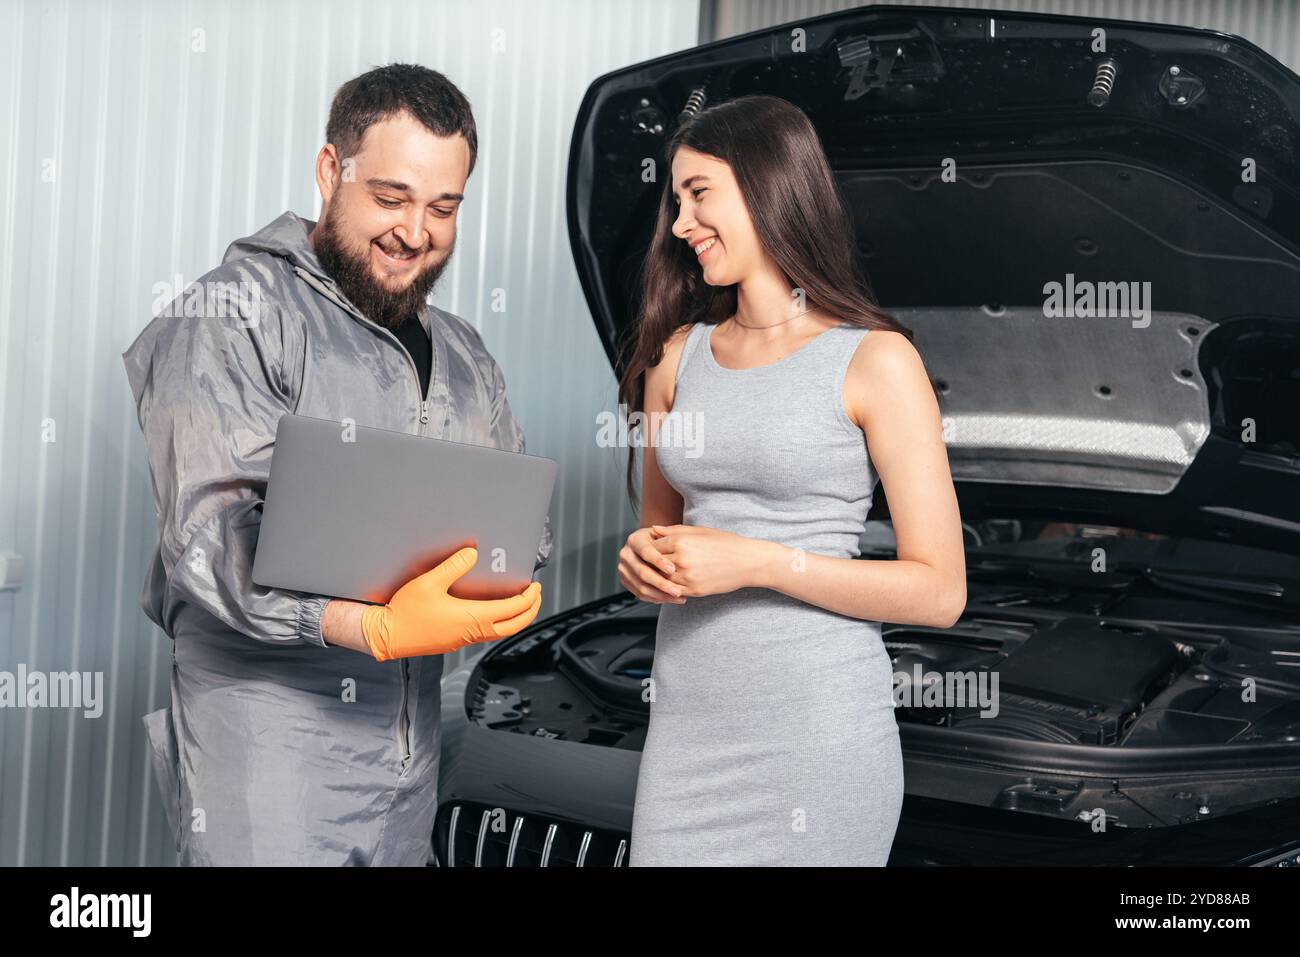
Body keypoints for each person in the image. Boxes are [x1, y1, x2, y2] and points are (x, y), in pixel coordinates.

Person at [121, 63, 550, 865]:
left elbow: (520, 520)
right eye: (390, 197)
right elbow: (206, 542)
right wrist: (367, 625)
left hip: (408, 760)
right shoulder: (233, 316)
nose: (415, 231)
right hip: (271, 757)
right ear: (331, 171)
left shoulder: (465, 354)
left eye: (444, 206)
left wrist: (510, 570)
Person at [616, 95, 966, 866]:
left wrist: (758, 561)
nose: (680, 223)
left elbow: (940, 592)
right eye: (676, 200)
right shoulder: (676, 355)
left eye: (699, 193)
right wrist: (642, 563)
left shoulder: (876, 361)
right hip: (686, 738)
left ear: (770, 183)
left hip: (818, 738)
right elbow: (656, 540)